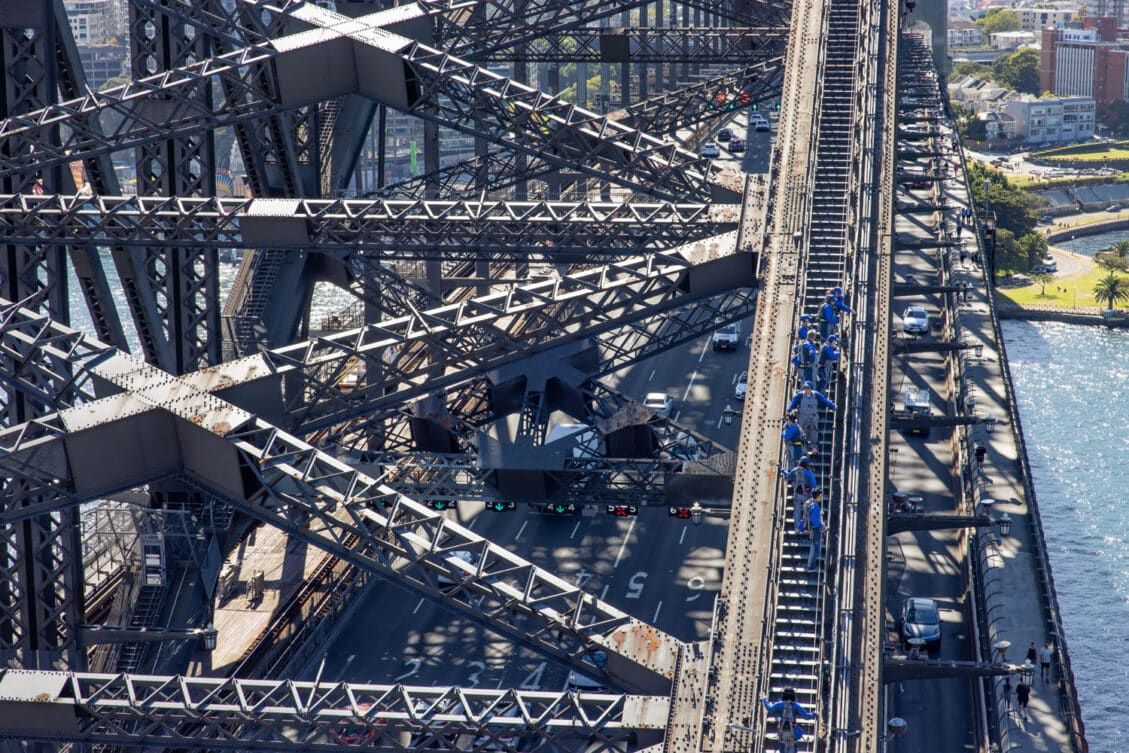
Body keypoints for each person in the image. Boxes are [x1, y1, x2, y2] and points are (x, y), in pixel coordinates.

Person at [788, 382, 837, 453]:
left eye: (807, 388)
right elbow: (793, 403)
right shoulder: (799, 395)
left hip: (813, 418)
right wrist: (788, 410)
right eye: (804, 388)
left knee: (814, 432)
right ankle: (803, 450)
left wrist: (832, 406)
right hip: (802, 418)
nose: (806, 390)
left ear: (811, 389)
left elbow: (824, 400)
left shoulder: (816, 395)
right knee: (802, 433)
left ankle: (814, 448)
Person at [762, 687, 816, 753]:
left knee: (783, 748)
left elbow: (770, 709)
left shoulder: (780, 704)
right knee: (793, 747)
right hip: (792, 731)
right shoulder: (796, 706)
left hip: (782, 731)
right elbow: (806, 716)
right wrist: (814, 714)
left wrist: (765, 700)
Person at [785, 457, 818, 533]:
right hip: (807, 495)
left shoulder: (795, 470)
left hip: (797, 494)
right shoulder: (809, 473)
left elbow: (788, 477)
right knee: (807, 512)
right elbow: (814, 485)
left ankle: (797, 528)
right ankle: (806, 528)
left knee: (797, 511)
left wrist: (784, 471)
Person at [805, 490, 824, 571]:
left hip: (813, 530)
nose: (822, 497)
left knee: (814, 548)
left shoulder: (812, 504)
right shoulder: (815, 506)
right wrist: (822, 525)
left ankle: (811, 566)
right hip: (815, 530)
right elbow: (815, 521)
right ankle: (811, 567)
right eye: (821, 496)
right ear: (817, 497)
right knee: (814, 549)